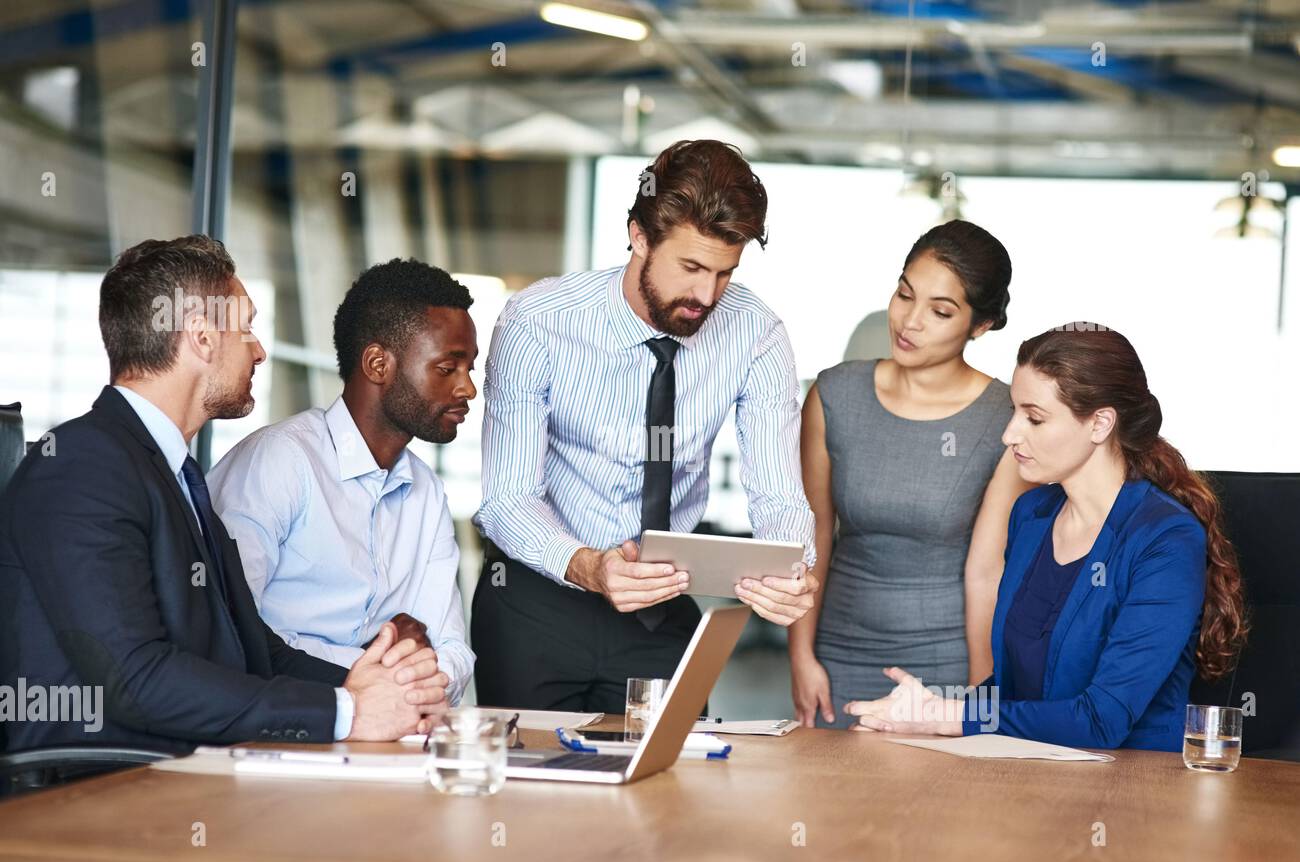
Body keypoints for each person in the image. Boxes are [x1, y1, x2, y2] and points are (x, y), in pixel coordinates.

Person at [0, 236, 448, 753]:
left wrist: (388, 692)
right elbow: (136, 679)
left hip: (182, 770)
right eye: (246, 326)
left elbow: (258, 654)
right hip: (102, 788)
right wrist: (346, 711)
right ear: (201, 337)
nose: (258, 349)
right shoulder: (82, 466)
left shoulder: (173, 474)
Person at [472, 139, 819, 713]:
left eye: (724, 273)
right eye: (691, 267)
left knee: (670, 789)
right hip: (536, 601)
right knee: (532, 793)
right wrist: (589, 567)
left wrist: (791, 565)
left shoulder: (756, 333)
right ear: (639, 237)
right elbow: (509, 499)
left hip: (663, 607)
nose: (706, 295)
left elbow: (779, 494)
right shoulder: (538, 321)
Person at [845, 324, 1248, 751]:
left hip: (1137, 792)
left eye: (1034, 418)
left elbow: (1101, 719)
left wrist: (946, 717)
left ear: (1100, 424)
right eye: (1014, 412)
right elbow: (1018, 689)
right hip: (1035, 774)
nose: (1010, 434)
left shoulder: (1164, 540)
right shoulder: (1032, 515)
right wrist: (927, 709)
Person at [790, 220, 1032, 728]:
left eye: (940, 311)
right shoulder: (835, 395)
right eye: (905, 294)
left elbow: (987, 571)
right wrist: (801, 656)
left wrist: (976, 695)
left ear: (980, 325)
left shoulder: (1005, 417)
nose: (910, 321)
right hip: (837, 655)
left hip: (944, 664)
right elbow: (810, 537)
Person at [209, 259, 477, 705]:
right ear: (377, 364)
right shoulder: (280, 462)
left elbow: (452, 652)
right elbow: (232, 634)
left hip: (383, 734)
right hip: (274, 733)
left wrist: (401, 675)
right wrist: (371, 666)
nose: (468, 388)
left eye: (471, 368)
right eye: (448, 368)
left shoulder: (426, 491)